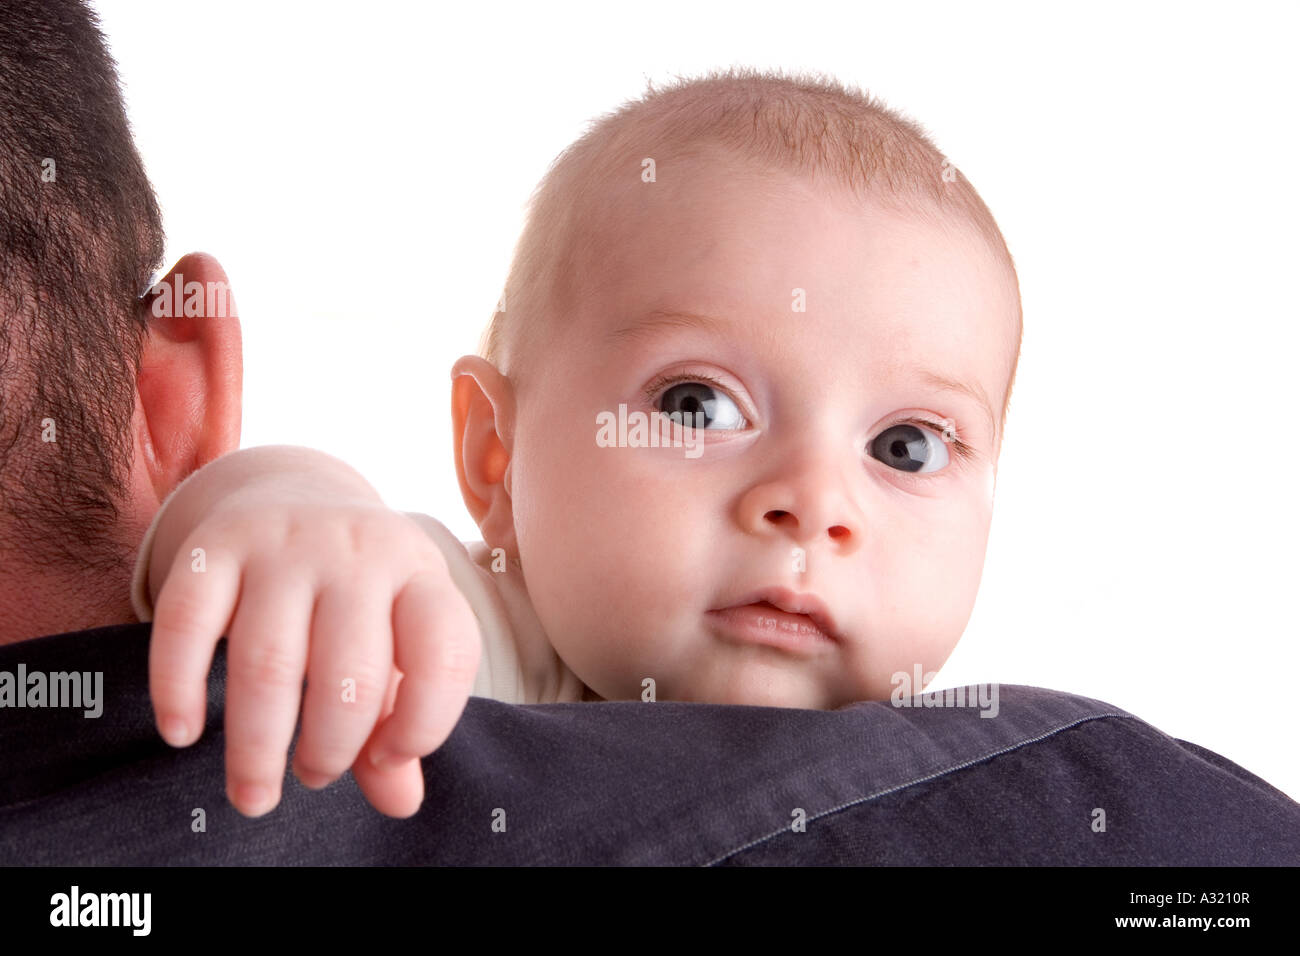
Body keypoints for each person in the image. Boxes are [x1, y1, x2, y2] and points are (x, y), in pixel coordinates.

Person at [2, 1, 1297, 867]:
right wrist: (279, 505)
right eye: (698, 406)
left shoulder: (978, 762)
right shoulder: (475, 642)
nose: (809, 501)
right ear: (494, 458)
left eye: (905, 448)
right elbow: (342, 574)